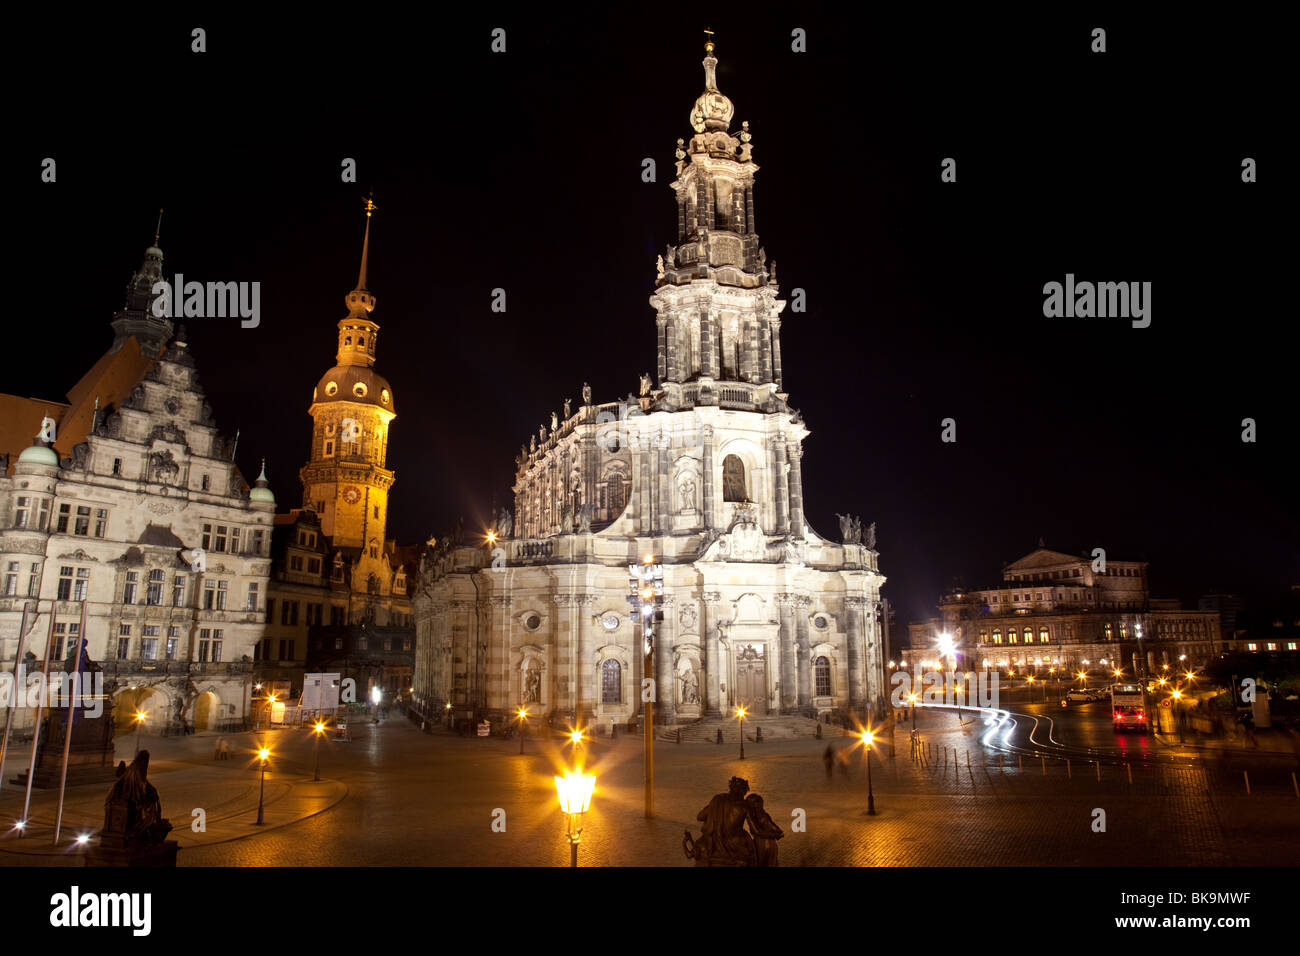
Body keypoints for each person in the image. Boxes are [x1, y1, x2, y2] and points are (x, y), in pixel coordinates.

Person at [745, 793, 783, 866]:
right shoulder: (751, 816)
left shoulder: (764, 815)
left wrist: (778, 832)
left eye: (758, 803)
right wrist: (774, 835)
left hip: (768, 843)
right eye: (754, 804)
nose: (757, 806)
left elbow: (773, 826)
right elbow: (756, 831)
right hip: (762, 843)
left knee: (769, 863)